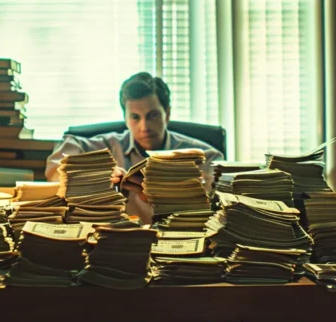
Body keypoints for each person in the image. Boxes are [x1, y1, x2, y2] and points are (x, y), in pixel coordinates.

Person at [45, 72, 224, 224]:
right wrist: (96, 173)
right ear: (125, 118)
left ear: (167, 114)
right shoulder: (109, 146)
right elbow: (58, 162)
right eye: (135, 117)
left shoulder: (206, 156)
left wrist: (166, 195)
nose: (144, 126)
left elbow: (218, 209)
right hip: (121, 243)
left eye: (152, 115)